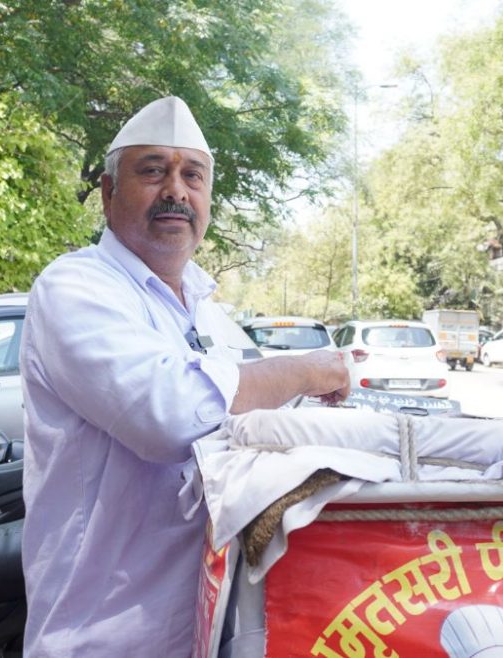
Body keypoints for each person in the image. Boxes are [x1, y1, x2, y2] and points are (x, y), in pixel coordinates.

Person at [20, 96, 350, 656]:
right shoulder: (75, 287)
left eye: (192, 175)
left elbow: (266, 426)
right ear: (107, 192)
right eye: (153, 171)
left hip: (205, 623)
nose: (176, 190)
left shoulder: (205, 306)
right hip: (105, 633)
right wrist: (302, 370)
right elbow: (173, 417)